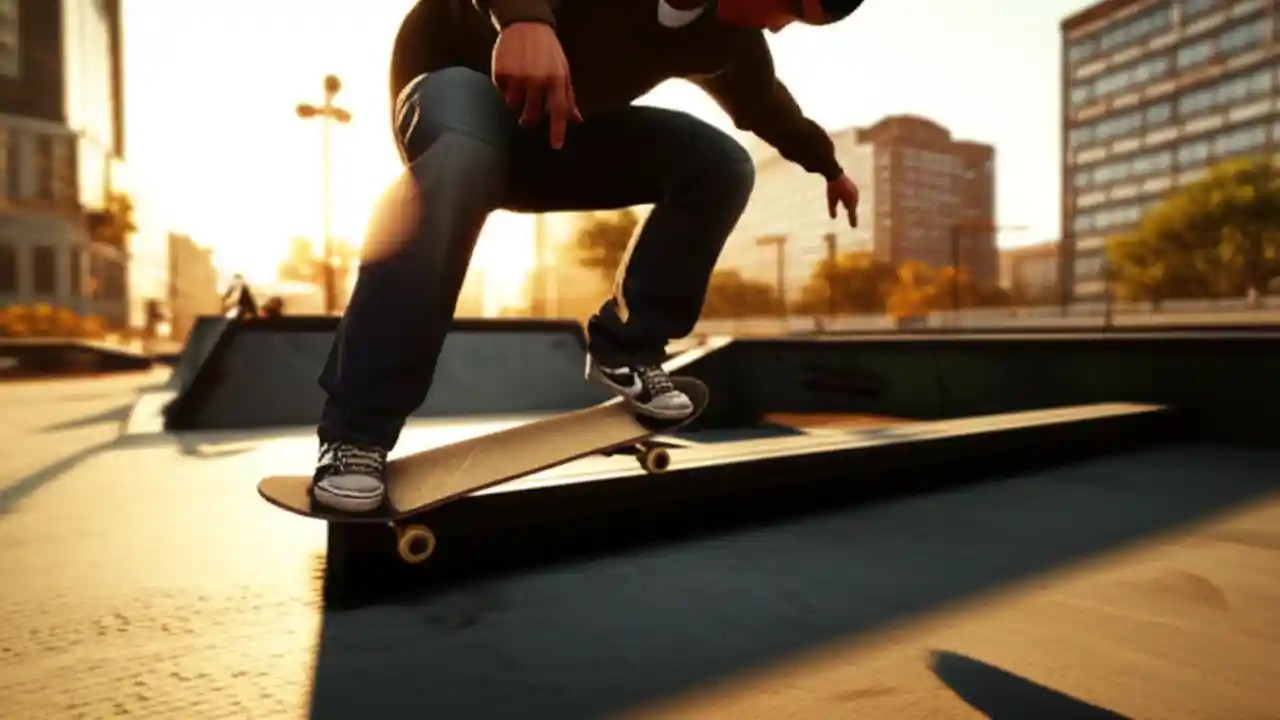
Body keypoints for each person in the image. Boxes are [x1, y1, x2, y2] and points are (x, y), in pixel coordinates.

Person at [311, 0, 865, 512]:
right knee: (462, 158)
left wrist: (830, 167)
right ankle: (356, 433)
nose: (777, 25)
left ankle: (628, 347)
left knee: (721, 165)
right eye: (789, 6)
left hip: (556, 133)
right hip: (454, 102)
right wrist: (524, 18)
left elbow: (766, 104)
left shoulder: (727, 40)